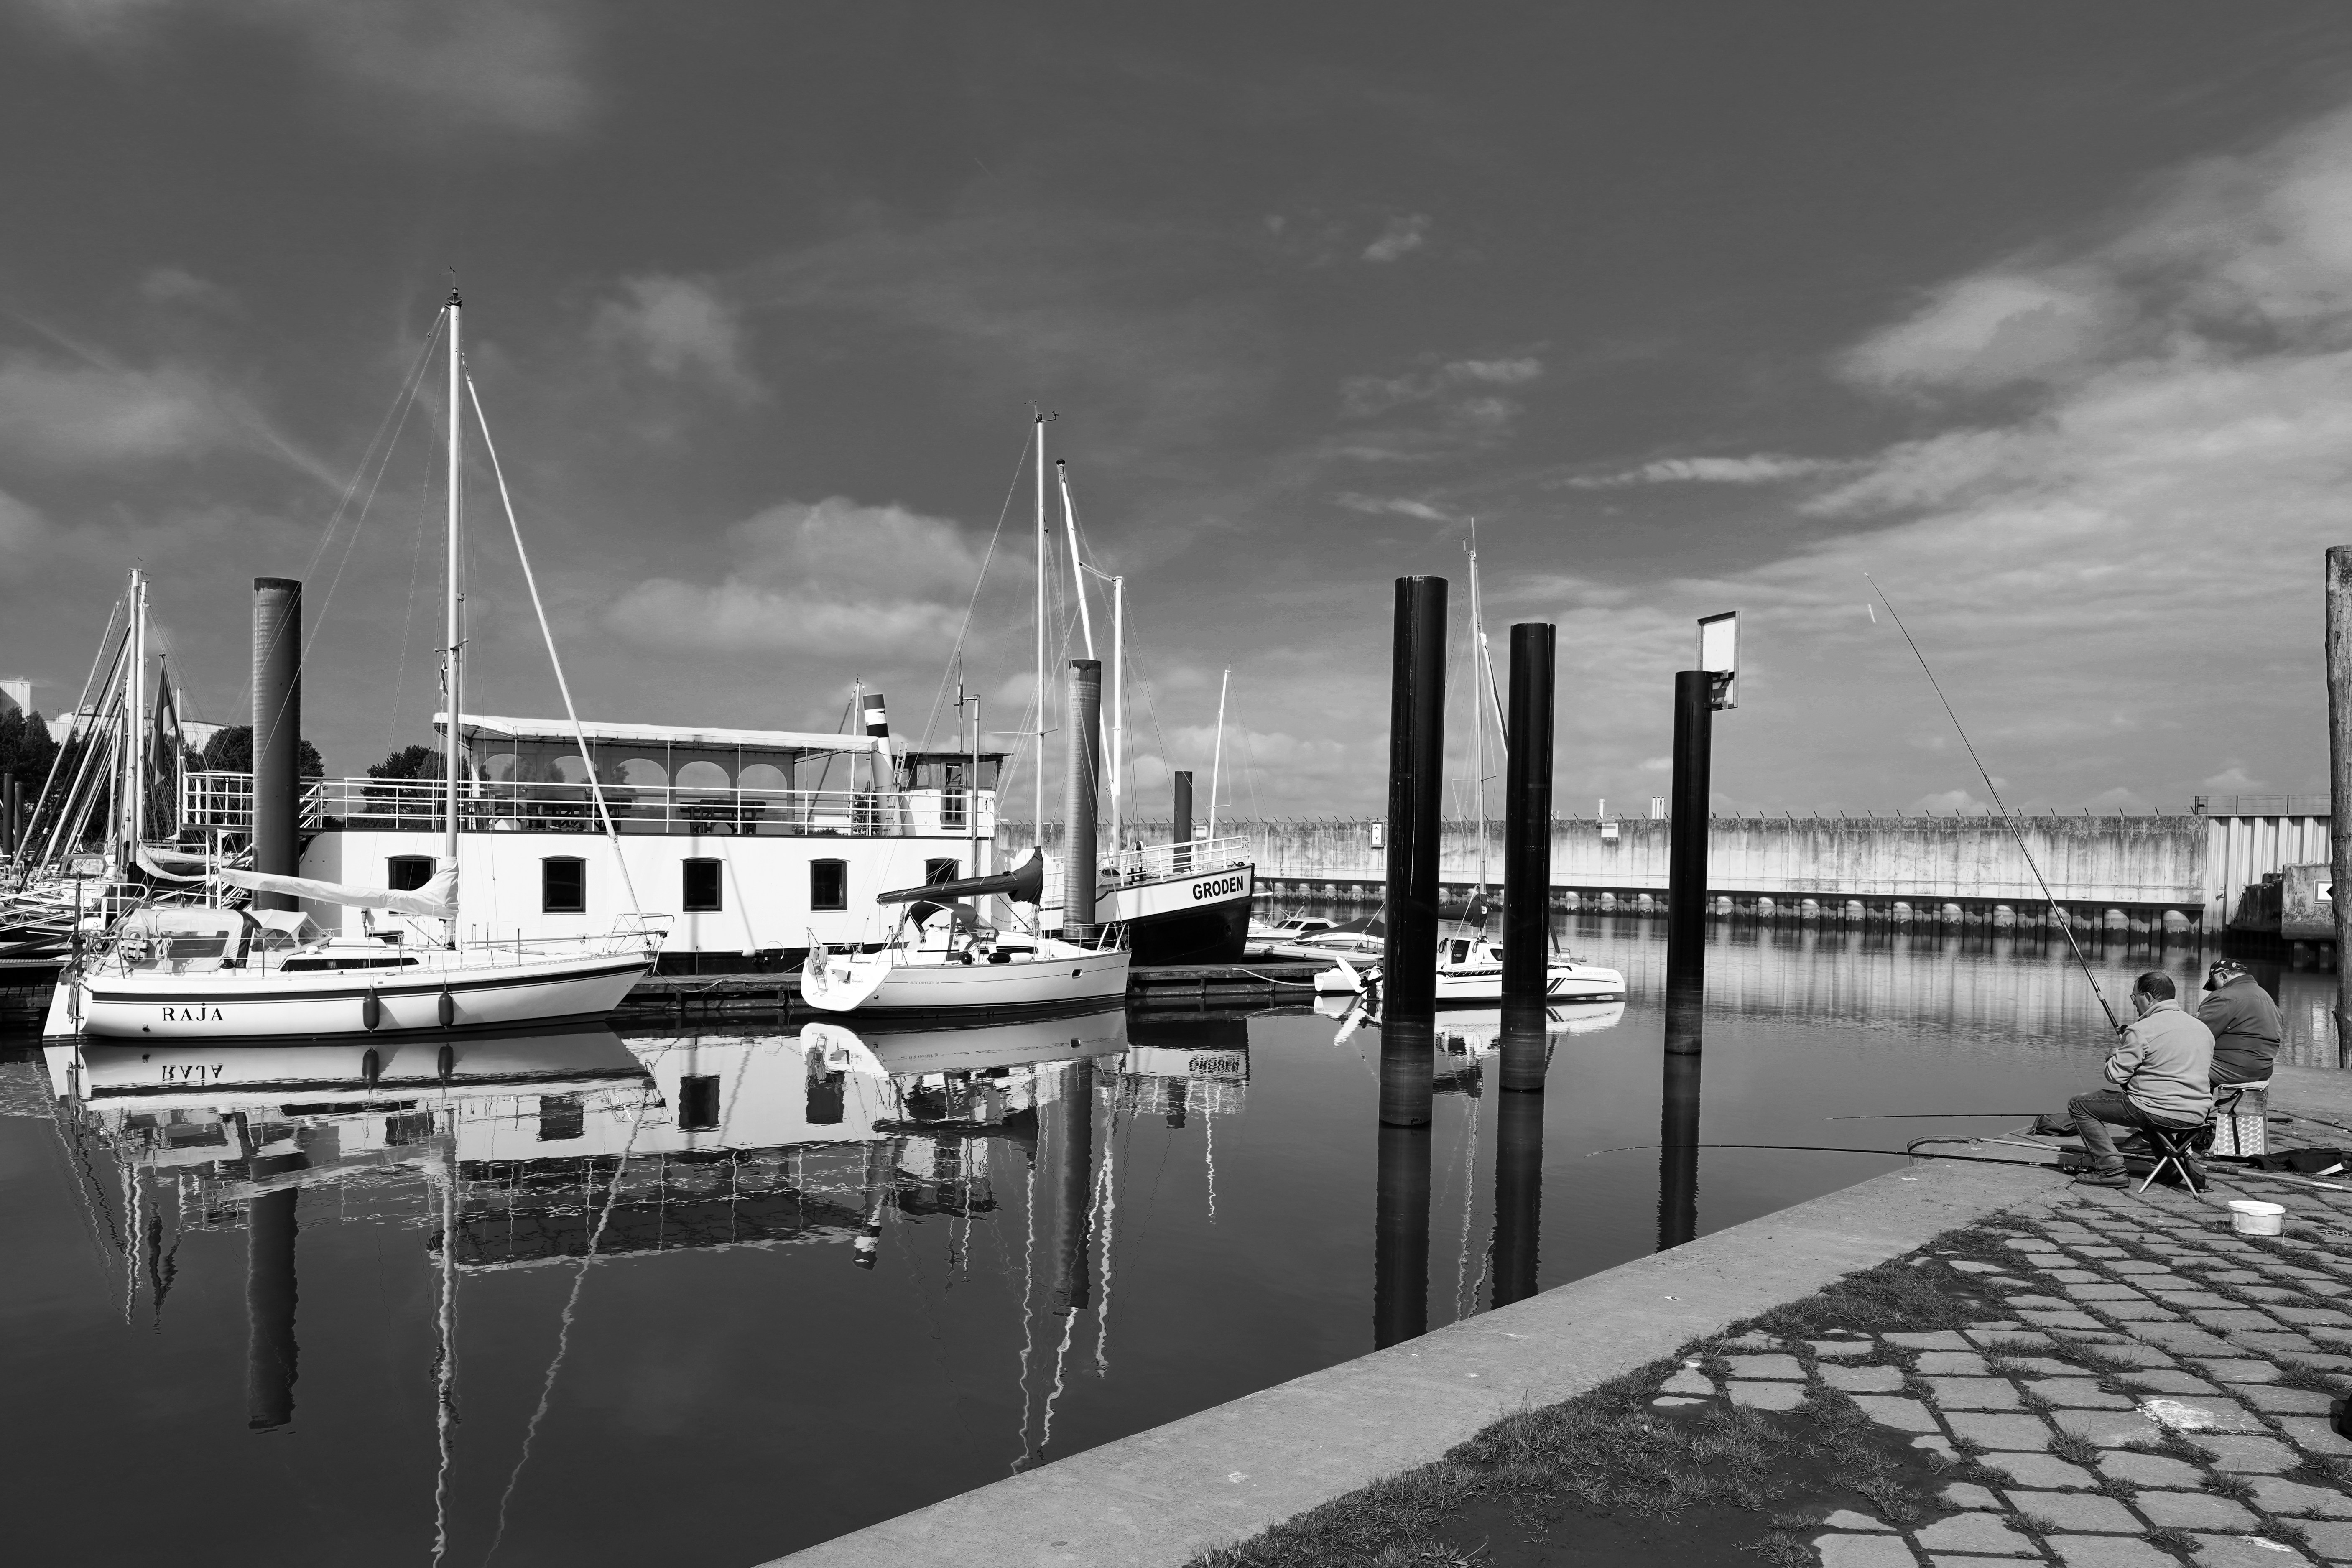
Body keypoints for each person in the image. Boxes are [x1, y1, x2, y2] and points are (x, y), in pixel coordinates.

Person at [2032, 971, 2214, 1188]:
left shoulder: (2142, 1029)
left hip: (2158, 1110)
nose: (2134, 1002)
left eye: (2134, 996)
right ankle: (2171, 1168)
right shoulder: (2202, 1029)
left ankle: (2110, 1169)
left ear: (2147, 997)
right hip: (2197, 1115)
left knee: (2080, 1105)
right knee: (2151, 1111)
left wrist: (2114, 1056)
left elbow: (2115, 1075)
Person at [2199, 957, 2281, 1086]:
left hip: (2233, 1070)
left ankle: (2195, 1106)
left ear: (2223, 977)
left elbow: (2197, 1035)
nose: (2216, 990)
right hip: (2264, 1070)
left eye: (2215, 985)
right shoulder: (2267, 997)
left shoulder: (2224, 996)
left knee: (2177, 1065)